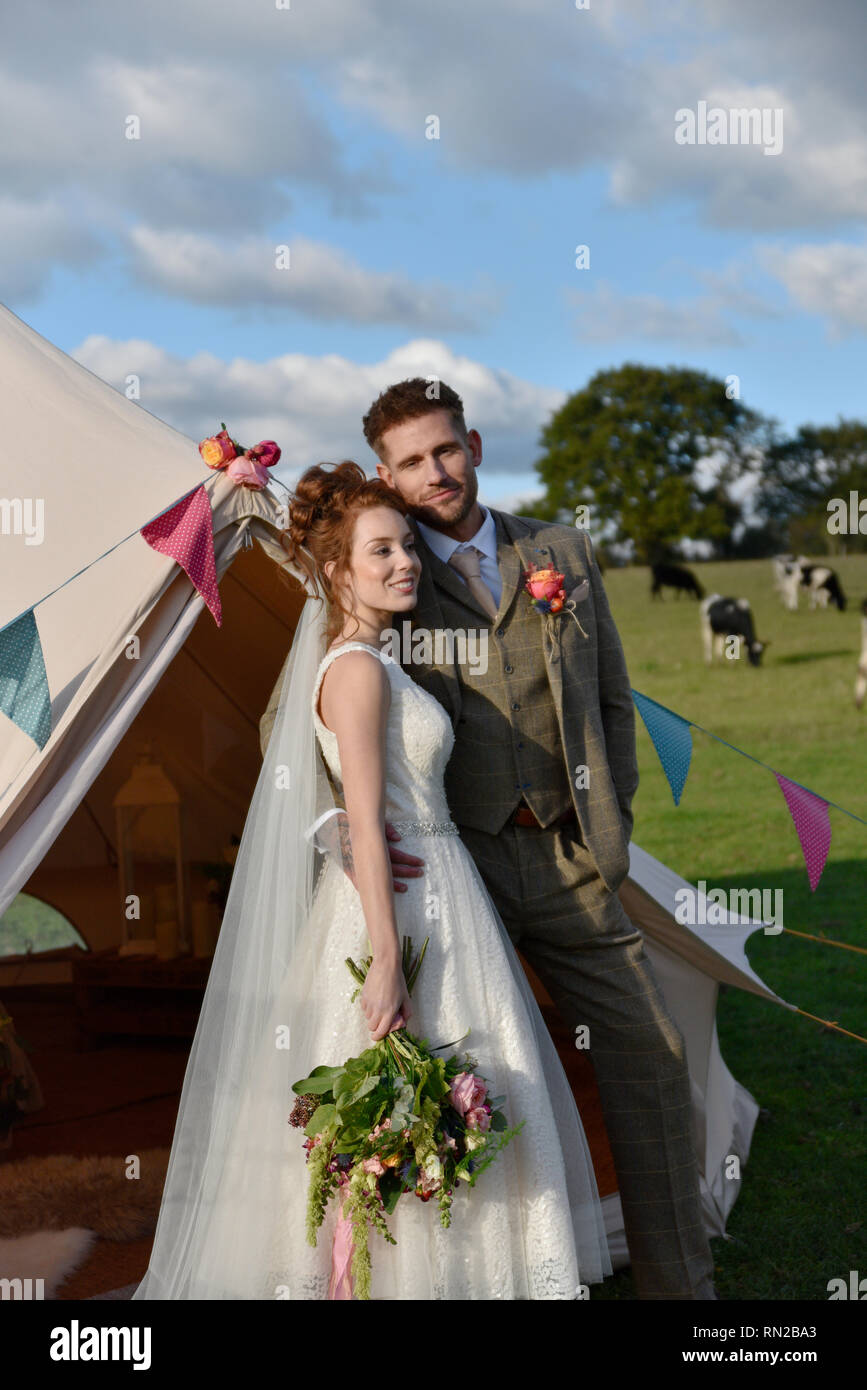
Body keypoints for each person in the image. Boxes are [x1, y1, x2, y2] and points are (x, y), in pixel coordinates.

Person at [273, 378, 718, 1300]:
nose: (433, 472)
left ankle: (681, 1294)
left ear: (472, 444)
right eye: (410, 462)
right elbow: (303, 718)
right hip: (452, 877)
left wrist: (612, 829)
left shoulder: (559, 552)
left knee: (653, 1058)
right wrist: (339, 839)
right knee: (465, 1082)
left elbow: (609, 701)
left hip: (569, 861)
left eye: (445, 449)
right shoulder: (385, 572)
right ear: (390, 477)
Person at [134, 460, 612, 1300]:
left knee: (447, 1103)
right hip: (399, 915)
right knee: (405, 1104)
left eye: (405, 548)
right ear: (335, 571)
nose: (405, 564)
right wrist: (387, 961)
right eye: (380, 550)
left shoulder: (380, 663)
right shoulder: (354, 672)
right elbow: (362, 816)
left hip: (440, 898)